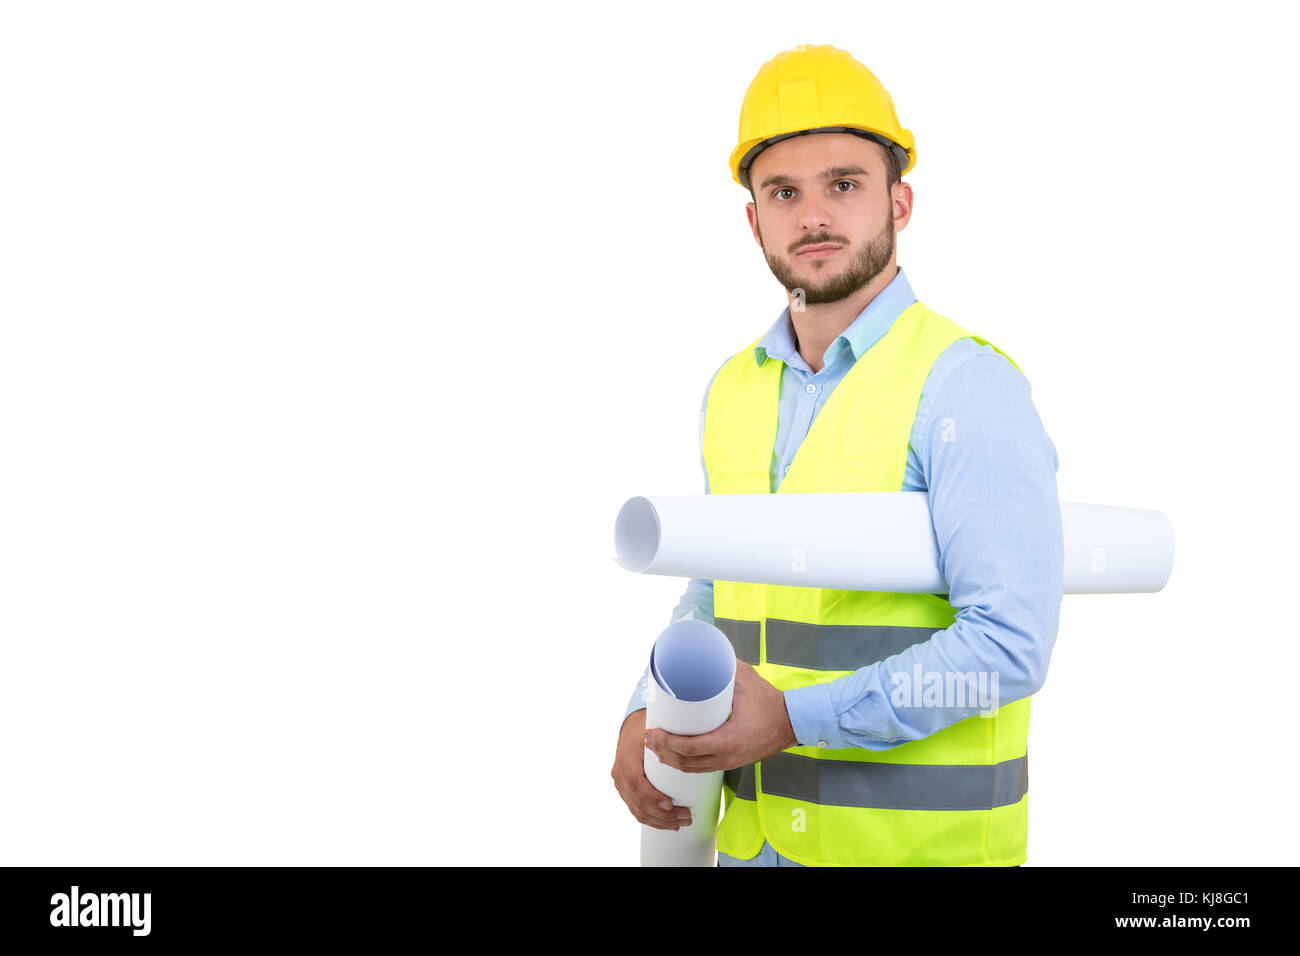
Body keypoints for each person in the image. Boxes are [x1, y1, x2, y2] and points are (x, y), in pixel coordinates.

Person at [610, 43, 1064, 866]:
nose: (813, 217)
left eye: (844, 184)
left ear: (901, 201)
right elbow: (719, 592)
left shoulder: (966, 389)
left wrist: (794, 719)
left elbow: (1009, 647)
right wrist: (646, 706)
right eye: (784, 192)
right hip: (752, 850)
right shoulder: (733, 391)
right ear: (754, 220)